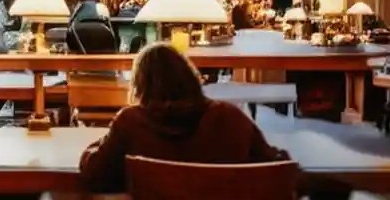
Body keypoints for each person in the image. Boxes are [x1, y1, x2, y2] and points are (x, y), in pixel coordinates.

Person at [79, 43, 287, 193]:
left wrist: (96, 147)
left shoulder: (130, 123)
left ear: (141, 87)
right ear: (190, 77)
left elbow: (95, 175)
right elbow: (276, 170)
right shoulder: (230, 118)